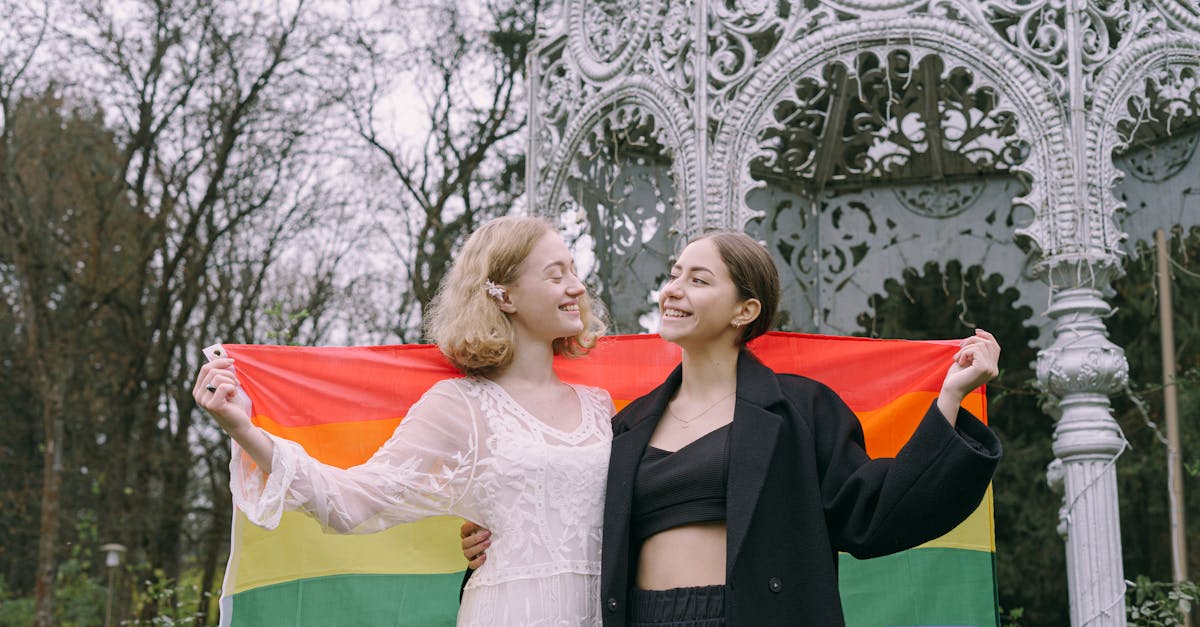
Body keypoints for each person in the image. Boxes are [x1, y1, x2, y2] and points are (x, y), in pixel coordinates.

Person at [461, 231, 1001, 626]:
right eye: (674, 274)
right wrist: (497, 534)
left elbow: (875, 514)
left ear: (745, 310)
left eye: (699, 280)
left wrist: (950, 398)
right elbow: (570, 518)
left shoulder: (800, 412)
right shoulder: (620, 427)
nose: (674, 289)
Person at [193, 216, 614, 626]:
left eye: (574, 272)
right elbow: (350, 503)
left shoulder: (602, 408)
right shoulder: (459, 406)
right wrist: (242, 429)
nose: (577, 286)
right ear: (504, 296)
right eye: (556, 275)